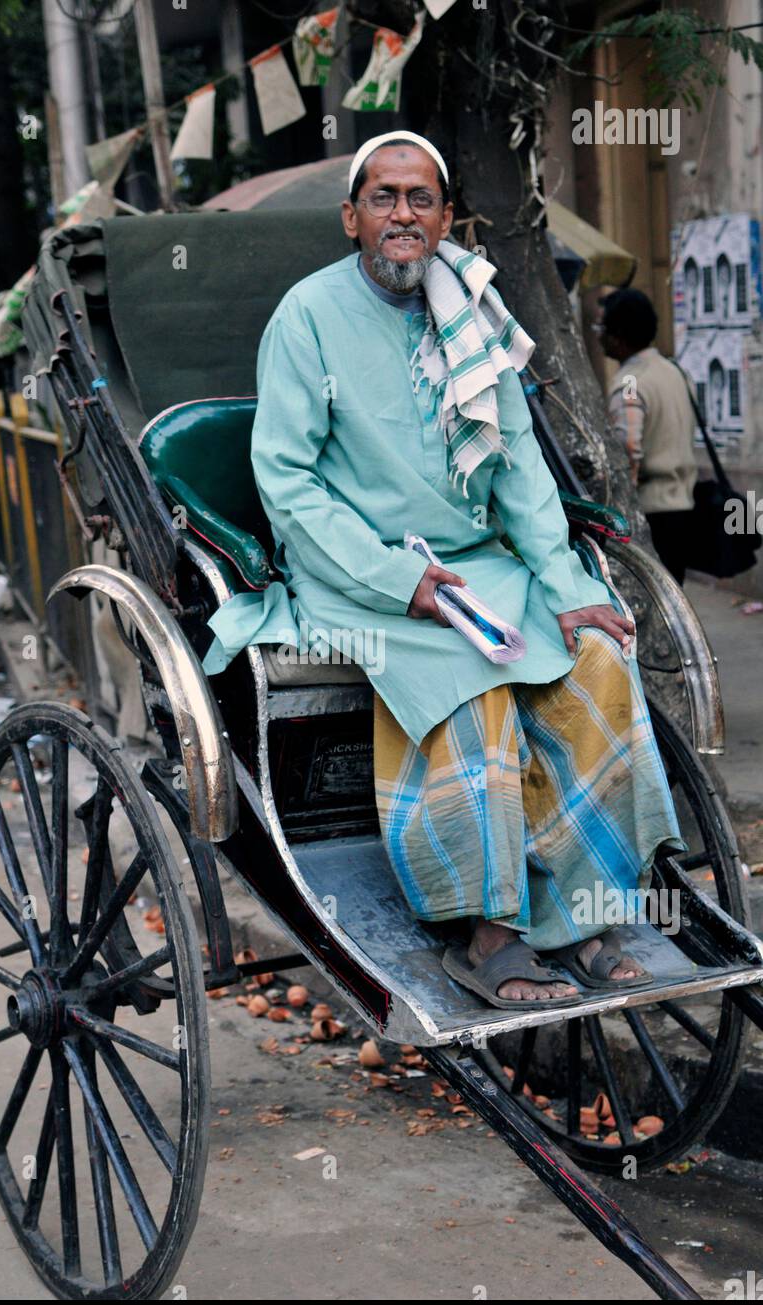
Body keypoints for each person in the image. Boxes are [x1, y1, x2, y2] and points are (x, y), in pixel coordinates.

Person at [203, 131, 684, 1008]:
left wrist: (569, 592)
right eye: (382, 198)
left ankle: (584, 911)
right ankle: (488, 934)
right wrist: (399, 582)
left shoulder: (468, 307)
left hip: (474, 571)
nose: (401, 214)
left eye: (419, 199)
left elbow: (518, 469)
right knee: (478, 688)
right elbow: (287, 481)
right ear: (352, 218)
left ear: (444, 217)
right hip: (360, 579)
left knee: (598, 666)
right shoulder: (307, 316)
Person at [601, 288, 699, 587]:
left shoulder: (631, 382)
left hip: (652, 511)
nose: (598, 336)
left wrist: (621, 495)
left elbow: (629, 445)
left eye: (601, 328)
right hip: (683, 503)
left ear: (618, 336)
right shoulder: (675, 371)